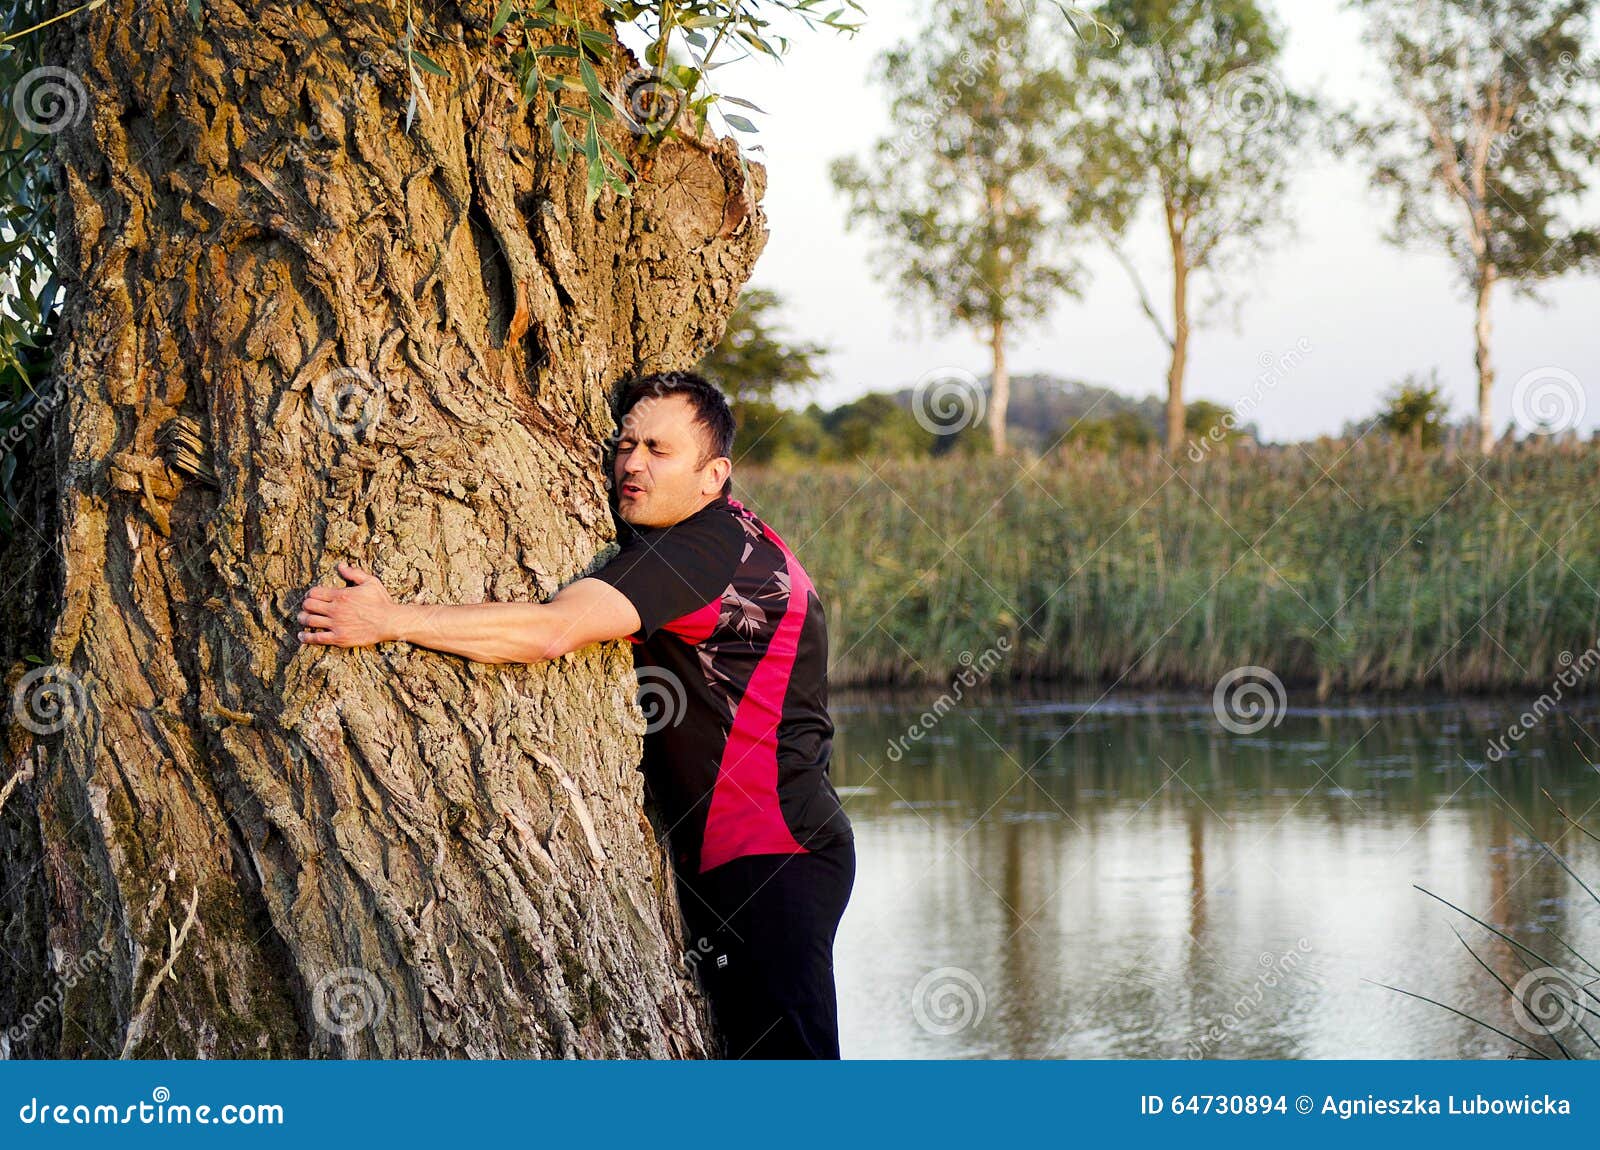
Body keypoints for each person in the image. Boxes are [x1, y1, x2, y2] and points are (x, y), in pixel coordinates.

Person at [296, 370, 856, 1059]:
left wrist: (390, 620)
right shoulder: (728, 538)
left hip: (771, 860)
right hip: (748, 856)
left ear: (714, 475)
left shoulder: (701, 554)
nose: (632, 464)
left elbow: (549, 633)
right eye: (625, 445)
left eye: (659, 449)